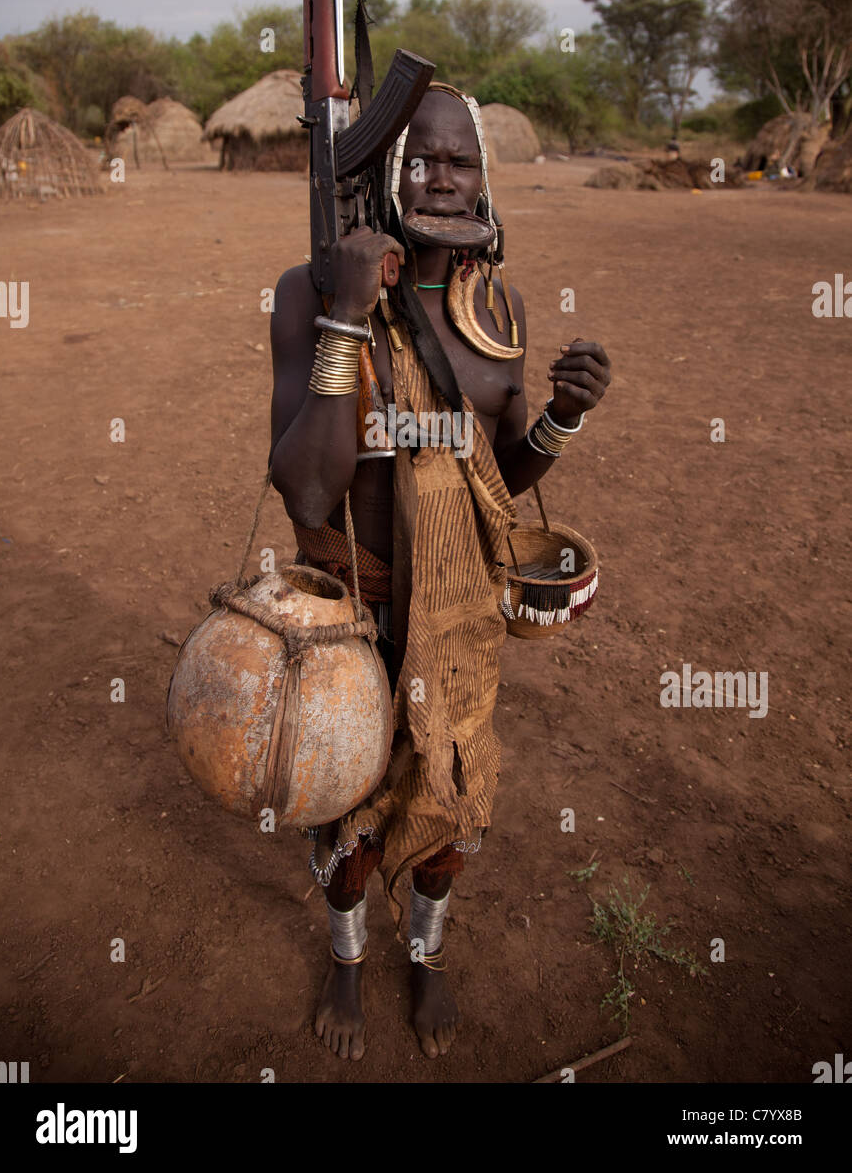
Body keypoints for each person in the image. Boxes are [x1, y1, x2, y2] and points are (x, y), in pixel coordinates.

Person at [268, 83, 611, 1060]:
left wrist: (561, 417)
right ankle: (344, 956)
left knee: (448, 813)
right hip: (354, 609)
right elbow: (303, 485)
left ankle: (424, 956)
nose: (441, 174)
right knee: (345, 820)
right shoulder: (309, 291)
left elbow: (492, 484)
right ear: (381, 167)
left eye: (460, 160)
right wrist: (345, 313)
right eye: (420, 156)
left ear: (483, 175)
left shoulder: (496, 308)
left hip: (456, 621)